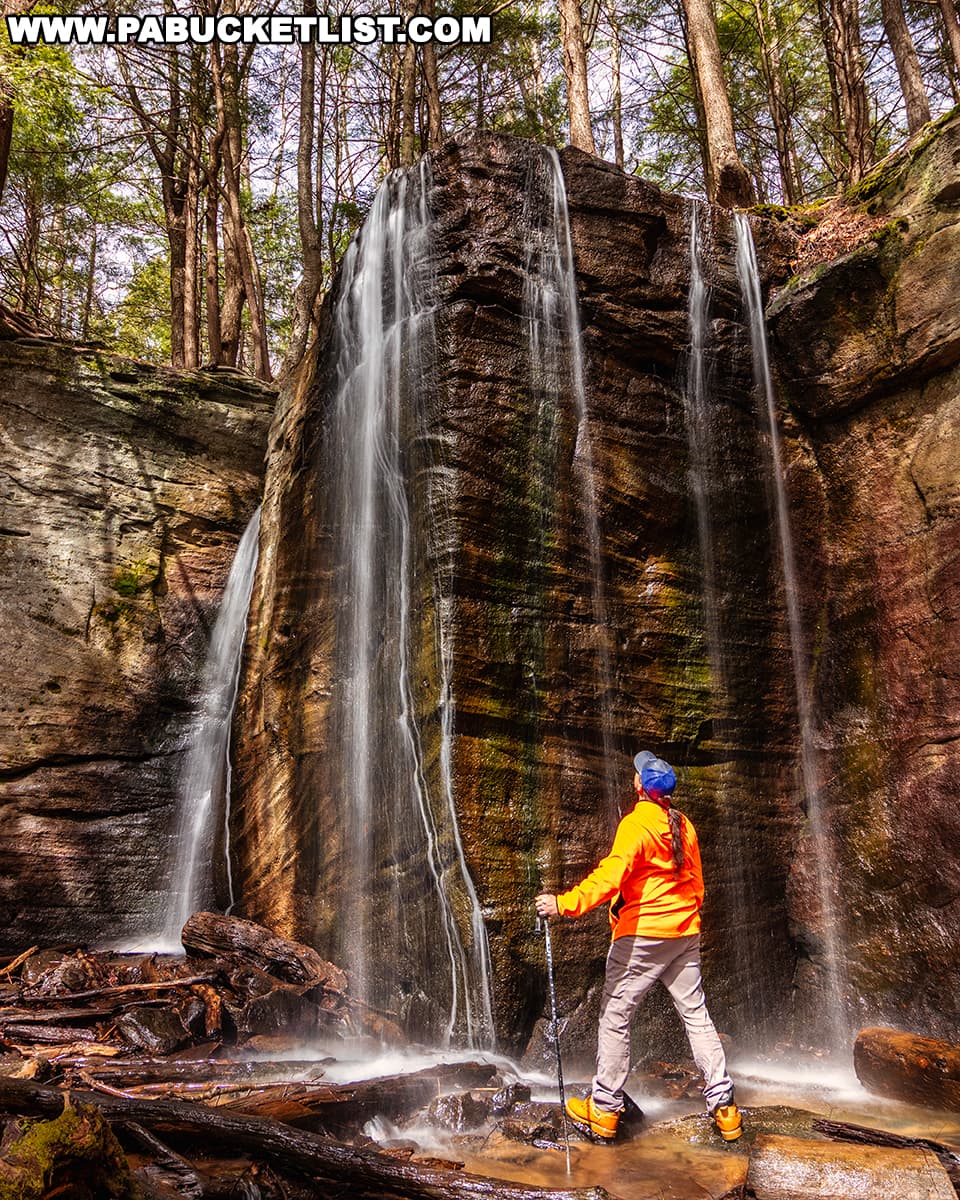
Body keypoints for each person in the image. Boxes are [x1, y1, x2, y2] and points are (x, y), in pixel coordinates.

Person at [534, 750, 742, 1142]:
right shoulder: (684, 825)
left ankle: (605, 1108)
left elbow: (611, 877)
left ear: (638, 785)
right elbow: (697, 884)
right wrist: (684, 916)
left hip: (642, 936)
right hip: (684, 934)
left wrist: (563, 904)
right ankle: (725, 1108)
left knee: (615, 1015)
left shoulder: (635, 825)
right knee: (696, 1016)